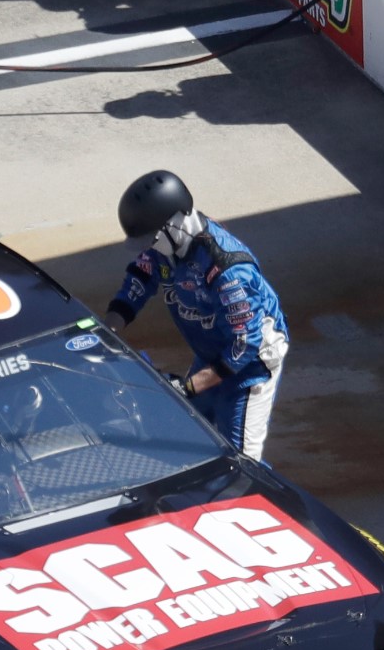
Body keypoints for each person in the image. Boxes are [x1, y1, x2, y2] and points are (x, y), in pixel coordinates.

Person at [100, 171, 290, 461]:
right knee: (185, 432)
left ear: (173, 223)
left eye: (150, 239)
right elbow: (139, 280)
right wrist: (106, 329)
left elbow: (243, 346)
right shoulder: (164, 246)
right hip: (212, 352)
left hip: (252, 365)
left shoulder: (228, 270)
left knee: (240, 463)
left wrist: (190, 386)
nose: (147, 249)